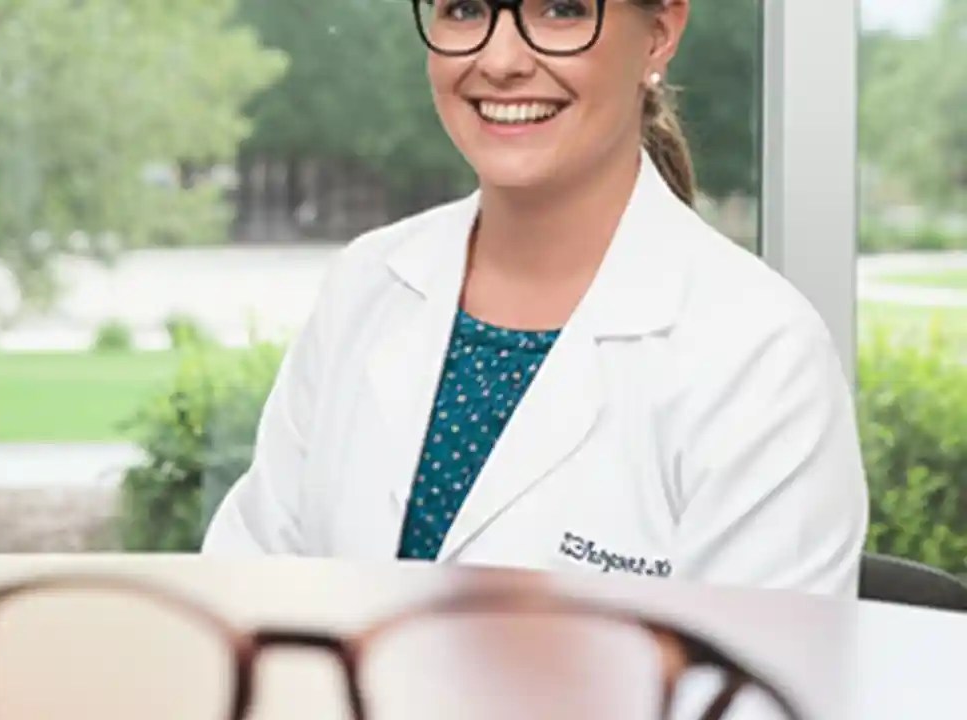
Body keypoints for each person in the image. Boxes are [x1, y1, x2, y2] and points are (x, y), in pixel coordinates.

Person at [201, 0, 869, 598]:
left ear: (659, 34)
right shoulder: (367, 284)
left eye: (562, 9)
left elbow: (762, 677)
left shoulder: (761, 352)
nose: (500, 61)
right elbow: (246, 593)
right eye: (465, 9)